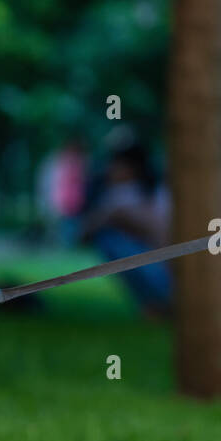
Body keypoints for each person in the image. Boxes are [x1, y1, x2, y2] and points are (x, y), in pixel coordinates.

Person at [79, 135, 173, 317]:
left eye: (116, 164)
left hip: (164, 274)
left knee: (108, 239)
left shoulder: (127, 195)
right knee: (108, 238)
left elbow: (85, 233)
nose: (110, 170)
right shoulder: (146, 193)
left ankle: (155, 305)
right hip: (163, 270)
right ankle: (152, 305)